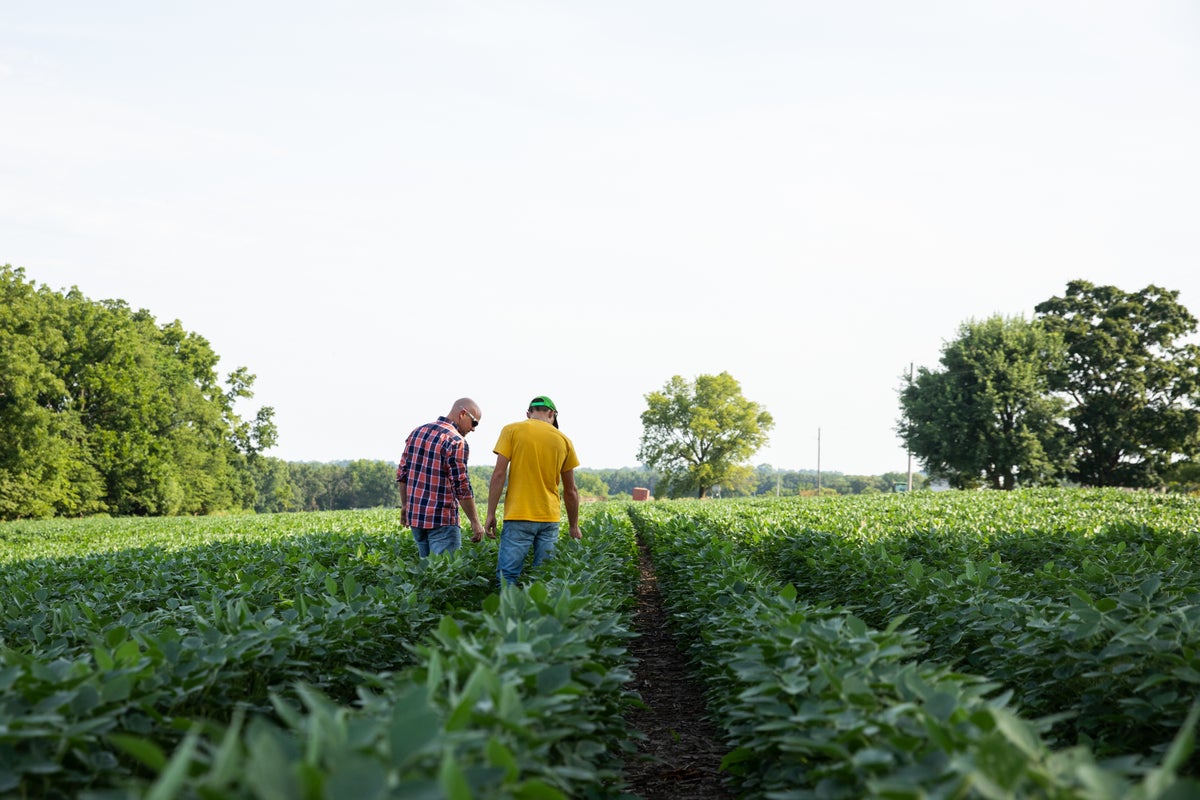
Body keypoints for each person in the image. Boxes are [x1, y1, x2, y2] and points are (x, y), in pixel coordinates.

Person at [485, 395, 582, 586]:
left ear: (529, 414)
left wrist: (490, 513)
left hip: (518, 515)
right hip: (549, 518)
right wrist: (573, 526)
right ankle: (538, 615)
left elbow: (498, 474)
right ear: (552, 414)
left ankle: (508, 614)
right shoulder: (564, 440)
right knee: (544, 578)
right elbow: (571, 491)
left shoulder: (511, 430)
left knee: (507, 577)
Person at [396, 398, 489, 557]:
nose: (473, 429)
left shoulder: (417, 432)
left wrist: (405, 506)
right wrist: (475, 522)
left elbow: (403, 473)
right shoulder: (456, 441)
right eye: (474, 423)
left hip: (416, 518)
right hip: (442, 521)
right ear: (462, 414)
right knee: (445, 574)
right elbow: (461, 485)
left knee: (427, 574)